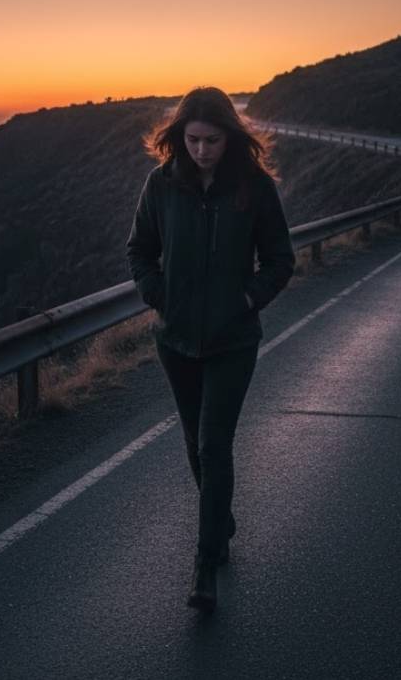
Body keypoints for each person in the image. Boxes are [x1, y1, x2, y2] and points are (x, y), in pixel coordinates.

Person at [125, 86, 295, 612]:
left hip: (232, 342)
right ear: (179, 137)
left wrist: (249, 298)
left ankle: (205, 566)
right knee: (193, 443)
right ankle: (219, 519)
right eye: (193, 140)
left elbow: (280, 259)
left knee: (213, 445)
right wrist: (160, 298)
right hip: (176, 342)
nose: (202, 150)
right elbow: (139, 251)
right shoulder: (161, 185)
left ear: (230, 138)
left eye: (212, 140)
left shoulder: (253, 188)